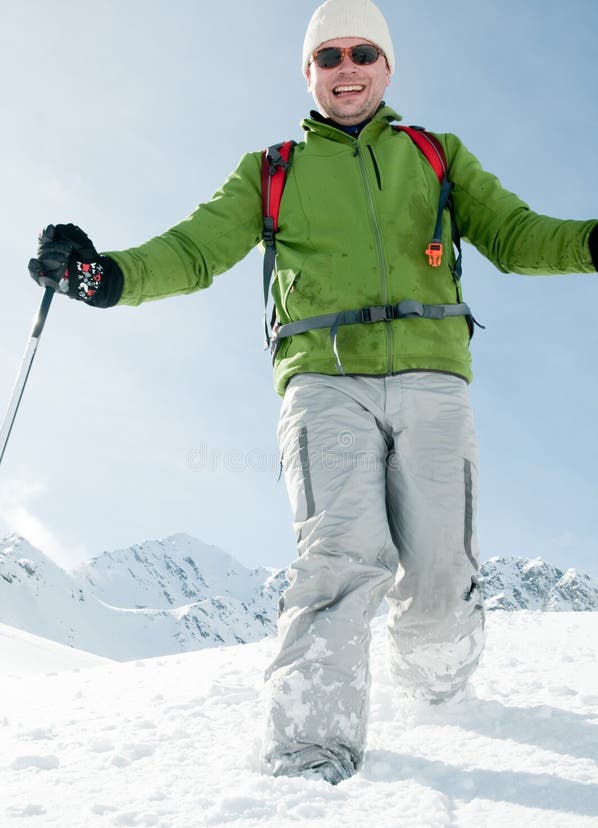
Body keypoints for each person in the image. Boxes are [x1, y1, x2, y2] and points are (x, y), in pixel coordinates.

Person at [28, 0, 598, 785]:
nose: (347, 69)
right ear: (309, 73)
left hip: (432, 377)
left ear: (387, 66)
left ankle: (441, 701)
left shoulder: (436, 156)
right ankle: (308, 756)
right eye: (328, 57)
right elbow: (195, 250)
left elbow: (520, 235)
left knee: (438, 576)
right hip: (324, 383)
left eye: (363, 52)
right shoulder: (272, 170)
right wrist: (105, 276)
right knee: (339, 559)